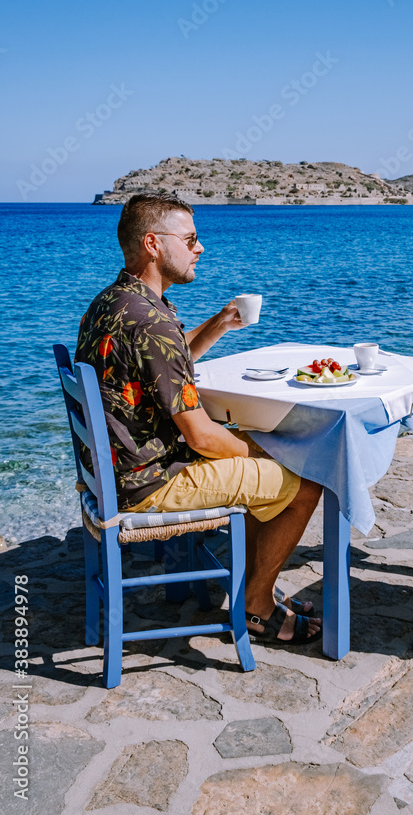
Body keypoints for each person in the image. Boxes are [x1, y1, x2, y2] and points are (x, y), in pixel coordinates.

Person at [76, 192, 322, 645]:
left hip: (116, 472)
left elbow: (163, 360)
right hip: (150, 483)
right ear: (153, 244)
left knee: (263, 456)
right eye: (189, 239)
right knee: (304, 483)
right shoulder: (151, 322)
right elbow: (202, 437)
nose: (200, 248)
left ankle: (255, 583)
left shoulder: (113, 302)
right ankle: (257, 605)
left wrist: (219, 323)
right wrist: (260, 454)